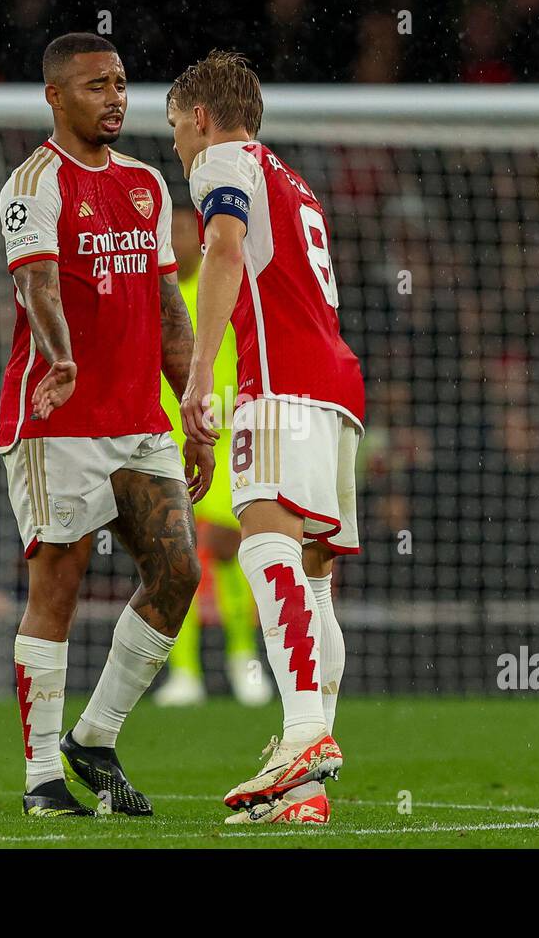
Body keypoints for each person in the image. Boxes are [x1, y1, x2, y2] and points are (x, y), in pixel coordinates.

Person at [0, 33, 211, 819]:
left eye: (120, 83)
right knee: (58, 585)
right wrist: (60, 358)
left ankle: (93, 738)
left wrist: (191, 407)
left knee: (179, 573)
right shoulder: (33, 185)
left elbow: (167, 305)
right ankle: (40, 781)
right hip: (58, 420)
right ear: (56, 97)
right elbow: (39, 287)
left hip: (138, 421)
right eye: (96, 86)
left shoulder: (146, 184)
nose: (115, 98)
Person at [168, 50, 366, 825]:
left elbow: (221, 249)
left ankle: (307, 734)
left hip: (280, 382)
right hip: (337, 384)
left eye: (176, 126)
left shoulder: (222, 162)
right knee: (314, 577)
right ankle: (304, 790)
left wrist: (198, 375)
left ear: (201, 118)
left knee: (260, 543)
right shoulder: (294, 180)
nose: (177, 143)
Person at [155, 207, 272, 708]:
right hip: (165, 441)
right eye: (172, 232)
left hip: (222, 437)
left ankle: (243, 661)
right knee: (174, 558)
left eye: (188, 231)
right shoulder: (156, 294)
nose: (180, 240)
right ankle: (184, 673)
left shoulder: (220, 285)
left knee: (227, 552)